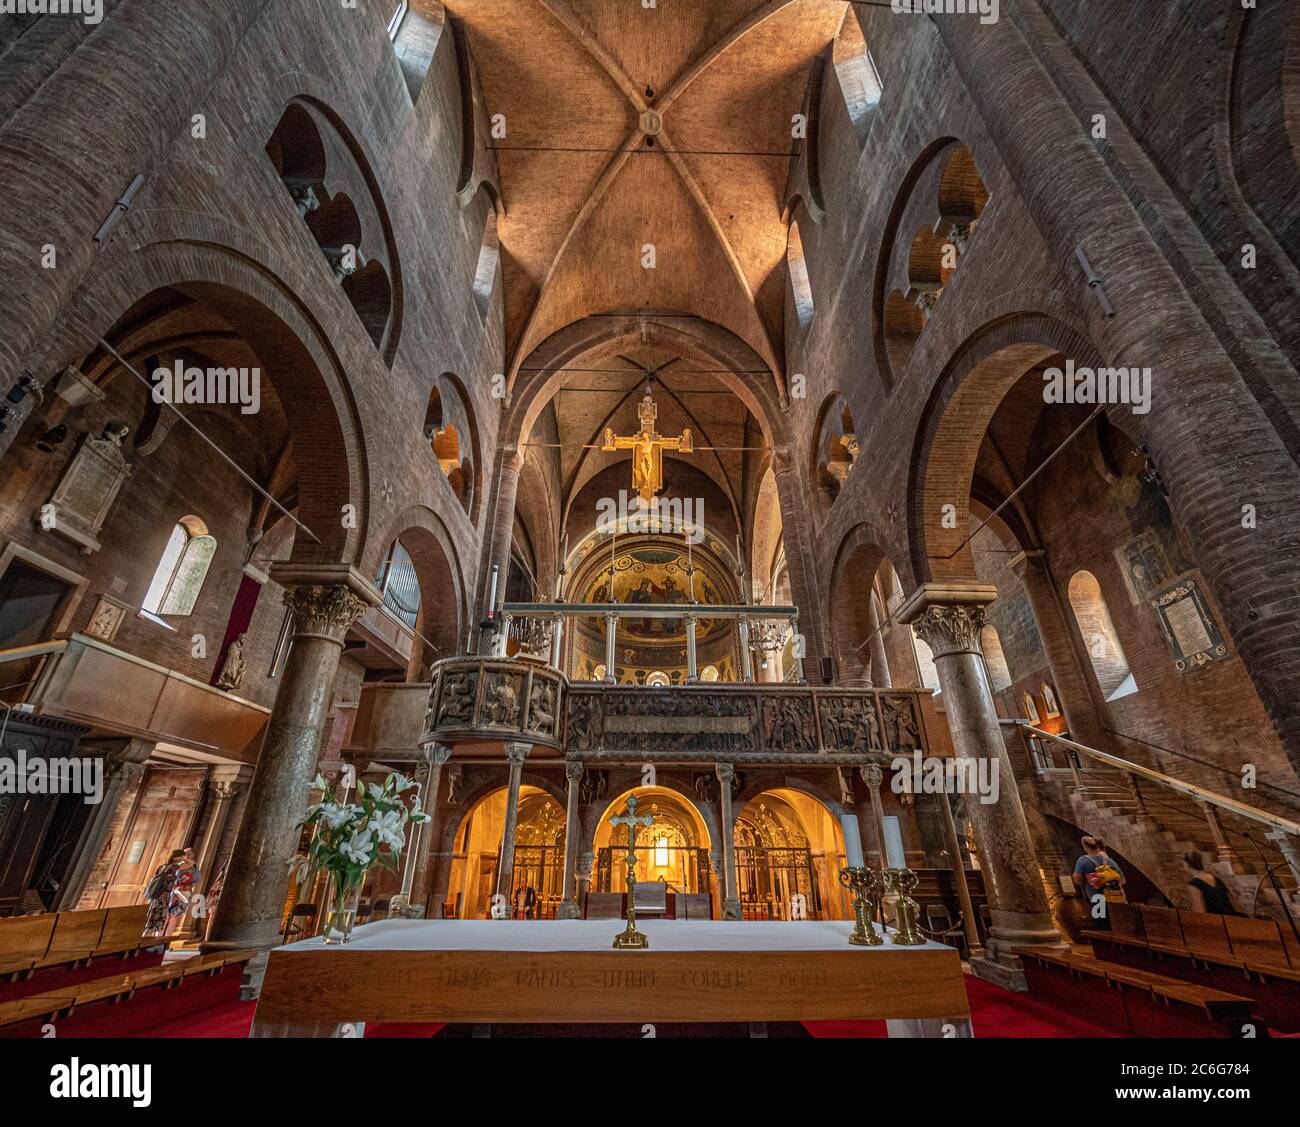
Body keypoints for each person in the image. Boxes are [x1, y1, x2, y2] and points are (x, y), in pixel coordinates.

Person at [1072, 836, 1126, 923]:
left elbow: (1077, 880)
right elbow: (1122, 880)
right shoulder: (1109, 860)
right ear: (1098, 846)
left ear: (1085, 848)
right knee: (1118, 924)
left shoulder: (1083, 860)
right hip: (1116, 900)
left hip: (1097, 899)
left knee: (1101, 925)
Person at [1183, 850, 1242, 916]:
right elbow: (1233, 902)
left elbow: (1201, 913)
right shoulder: (1216, 878)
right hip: (1232, 917)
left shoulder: (1194, 884)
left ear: (1187, 864)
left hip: (1219, 921)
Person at [144, 850, 185, 935]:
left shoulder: (162, 866)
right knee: (154, 923)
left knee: (150, 922)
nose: (183, 859)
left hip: (155, 897)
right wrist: (183, 859)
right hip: (161, 898)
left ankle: (146, 943)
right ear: (177, 857)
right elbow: (190, 863)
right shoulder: (173, 867)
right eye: (182, 857)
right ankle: (149, 945)